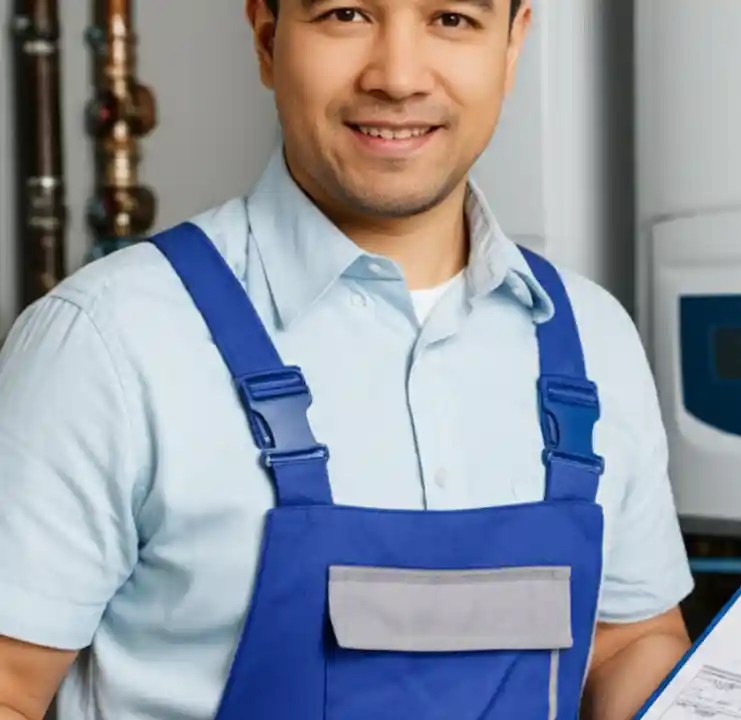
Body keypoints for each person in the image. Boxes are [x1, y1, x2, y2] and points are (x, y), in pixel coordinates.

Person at [0, 0, 696, 717]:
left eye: (452, 19)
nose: (398, 77)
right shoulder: (106, 340)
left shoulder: (593, 337)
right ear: (267, 38)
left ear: (512, 45)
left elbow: (625, 642)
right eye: (347, 13)